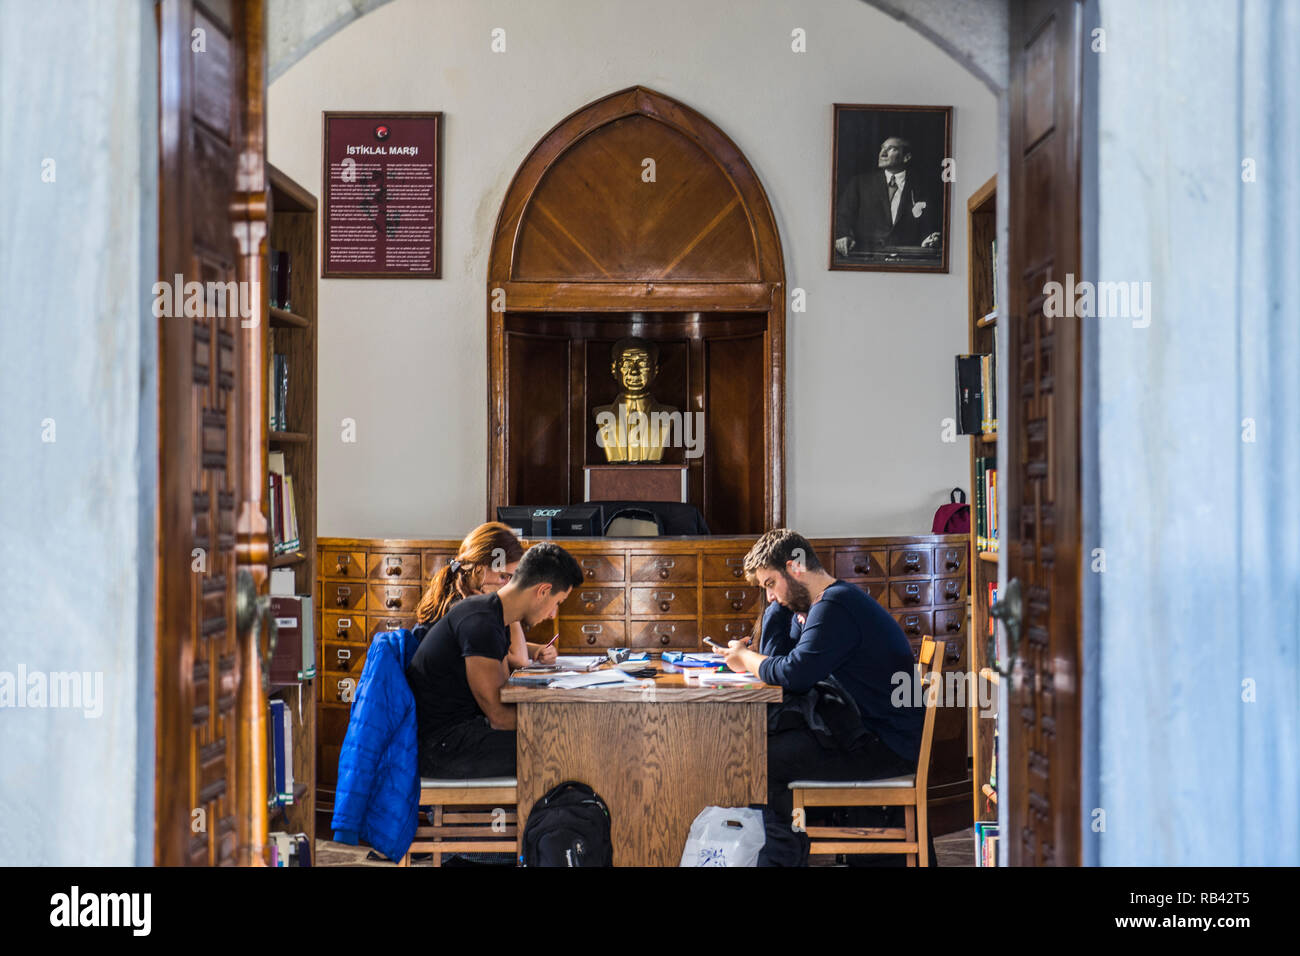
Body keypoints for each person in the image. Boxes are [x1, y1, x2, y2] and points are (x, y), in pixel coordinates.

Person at [721, 529, 924, 824]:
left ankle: (784, 853)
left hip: (884, 746)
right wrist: (776, 606)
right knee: (758, 746)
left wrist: (745, 658)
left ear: (794, 568)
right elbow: (778, 659)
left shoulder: (835, 606)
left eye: (770, 584)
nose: (770, 595)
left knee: (755, 760)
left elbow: (793, 674)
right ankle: (789, 848)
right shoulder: (819, 606)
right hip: (858, 732)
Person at [406, 540, 584, 779]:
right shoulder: (481, 622)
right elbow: (499, 717)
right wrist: (557, 725)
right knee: (564, 749)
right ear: (542, 591)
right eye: (557, 603)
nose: (553, 614)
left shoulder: (491, 614)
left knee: (564, 740)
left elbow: (503, 693)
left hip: (461, 734)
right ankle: (547, 816)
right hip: (441, 748)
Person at [413, 521, 559, 672]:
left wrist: (533, 650)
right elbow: (519, 659)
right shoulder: (463, 606)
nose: (510, 585)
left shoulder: (463, 594)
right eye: (503, 576)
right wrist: (507, 605)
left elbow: (497, 645)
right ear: (479, 569)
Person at [834, 136, 941, 256]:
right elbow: (842, 216)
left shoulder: (923, 187)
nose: (882, 153)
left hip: (908, 259)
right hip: (866, 257)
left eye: (891, 149)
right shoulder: (860, 183)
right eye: (882, 148)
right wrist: (843, 235)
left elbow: (929, 226)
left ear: (906, 157)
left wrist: (931, 238)